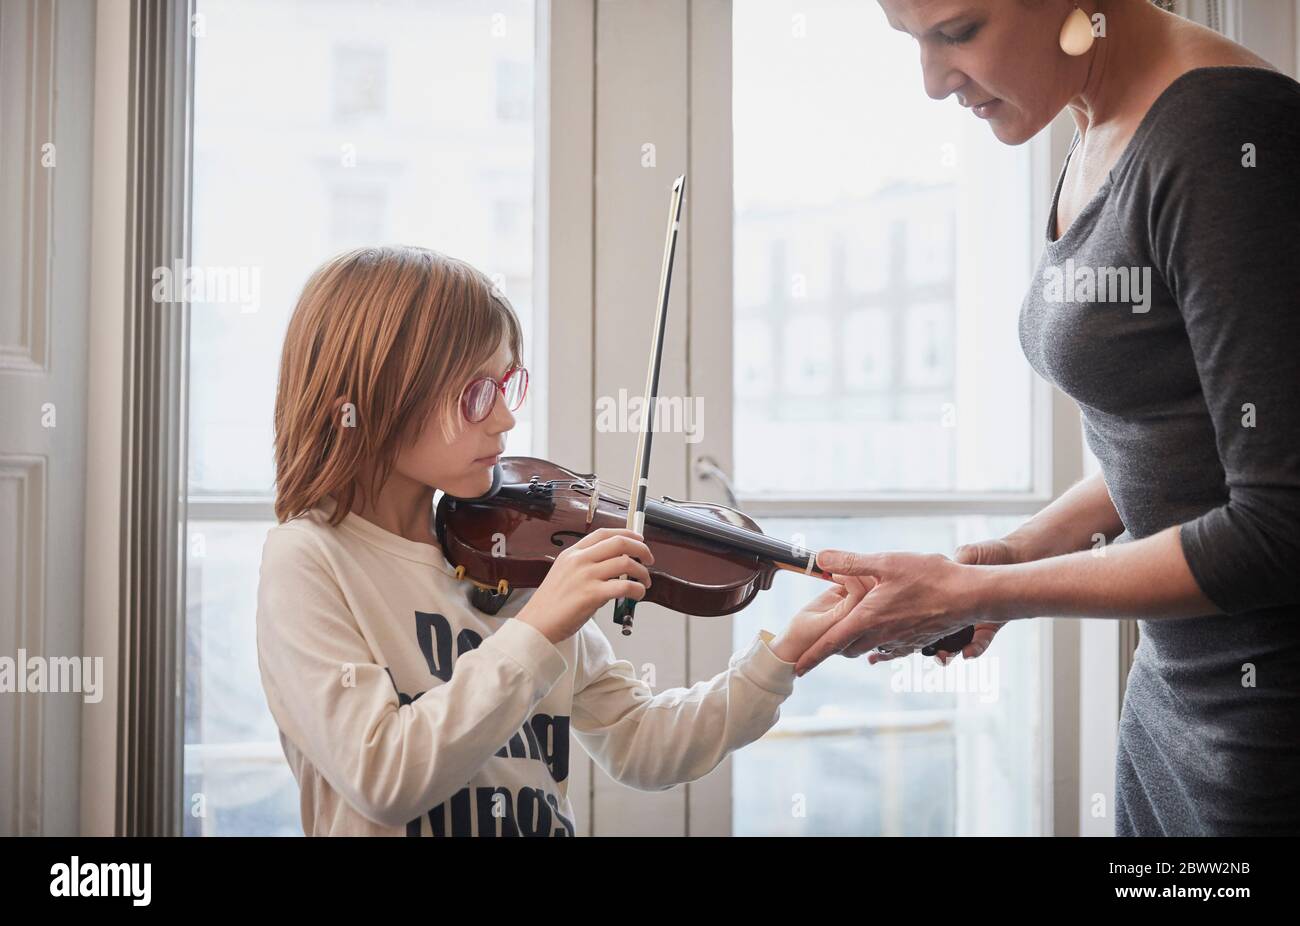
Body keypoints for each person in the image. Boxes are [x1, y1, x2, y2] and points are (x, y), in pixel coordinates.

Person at [796, 0, 1300, 835]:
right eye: (911, 41)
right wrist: (1019, 550)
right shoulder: (1095, 117)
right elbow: (1188, 432)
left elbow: (1279, 525)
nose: (932, 81)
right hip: (1173, 700)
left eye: (958, 33)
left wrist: (985, 589)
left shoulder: (1222, 136)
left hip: (1262, 737)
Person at [255, 245, 863, 835]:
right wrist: (537, 629)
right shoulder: (310, 560)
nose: (505, 418)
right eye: (475, 393)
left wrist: (783, 655)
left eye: (507, 384)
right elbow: (385, 778)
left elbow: (641, 744)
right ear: (378, 397)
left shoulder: (509, 553)